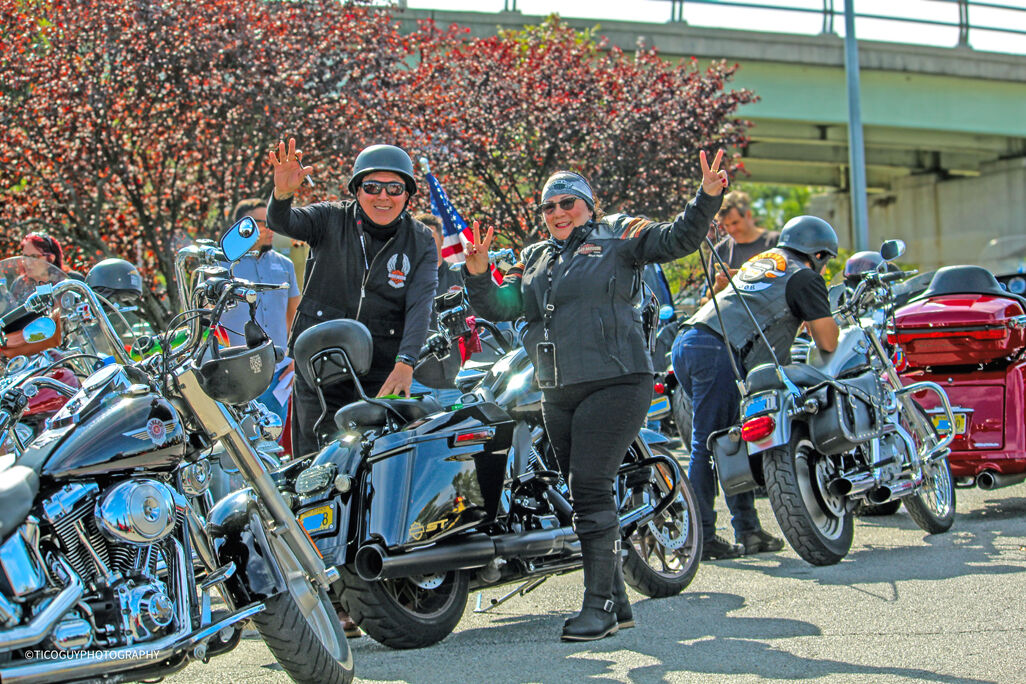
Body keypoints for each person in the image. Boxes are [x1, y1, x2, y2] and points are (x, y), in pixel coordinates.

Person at [464, 150, 728, 642]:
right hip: (557, 391)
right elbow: (505, 308)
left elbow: (679, 239)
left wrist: (706, 197)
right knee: (583, 493)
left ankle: (598, 609)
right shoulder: (537, 256)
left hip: (618, 380)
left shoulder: (620, 235)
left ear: (590, 205)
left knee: (589, 486)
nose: (558, 213)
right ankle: (620, 604)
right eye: (549, 207)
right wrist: (479, 274)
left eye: (569, 203)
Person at [672, 215, 840, 561]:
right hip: (719, 352)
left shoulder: (762, 263)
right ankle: (701, 535)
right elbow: (828, 341)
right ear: (820, 255)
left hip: (690, 342)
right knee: (710, 446)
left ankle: (748, 531)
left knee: (733, 441)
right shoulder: (804, 276)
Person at [265, 138, 437, 458]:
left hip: (382, 369)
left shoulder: (421, 240)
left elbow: (420, 303)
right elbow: (282, 222)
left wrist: (406, 363)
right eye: (372, 186)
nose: (383, 196)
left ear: (408, 195)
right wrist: (283, 194)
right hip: (318, 363)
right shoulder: (329, 218)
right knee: (317, 461)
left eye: (394, 188)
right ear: (356, 189)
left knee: (377, 461)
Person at [218, 198, 301, 424]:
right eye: (263, 223)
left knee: (271, 442)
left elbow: (295, 315)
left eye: (271, 222)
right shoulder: (222, 267)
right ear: (243, 228)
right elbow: (208, 319)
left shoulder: (285, 265)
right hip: (236, 372)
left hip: (277, 373)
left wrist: (294, 359)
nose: (270, 229)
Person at [409, 212, 464, 404]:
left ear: (441, 239)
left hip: (458, 382)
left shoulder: (460, 276)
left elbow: (479, 322)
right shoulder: (404, 282)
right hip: (417, 381)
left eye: (431, 237)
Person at [700, 191, 779, 304]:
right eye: (726, 225)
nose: (731, 230)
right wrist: (718, 287)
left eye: (735, 223)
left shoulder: (774, 243)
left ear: (748, 215)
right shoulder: (719, 250)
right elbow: (704, 301)